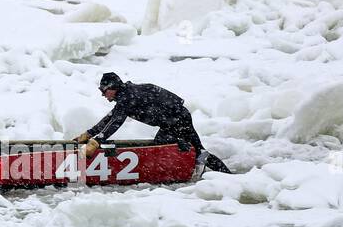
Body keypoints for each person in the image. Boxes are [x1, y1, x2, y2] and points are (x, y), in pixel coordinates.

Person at [75, 72, 231, 175]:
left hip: (177, 120)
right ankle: (223, 174)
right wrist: (89, 134)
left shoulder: (127, 97)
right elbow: (110, 118)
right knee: (198, 151)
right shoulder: (125, 95)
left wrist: (96, 142)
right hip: (175, 119)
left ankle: (182, 165)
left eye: (103, 90)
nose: (102, 94)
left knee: (164, 148)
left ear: (113, 88)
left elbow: (116, 122)